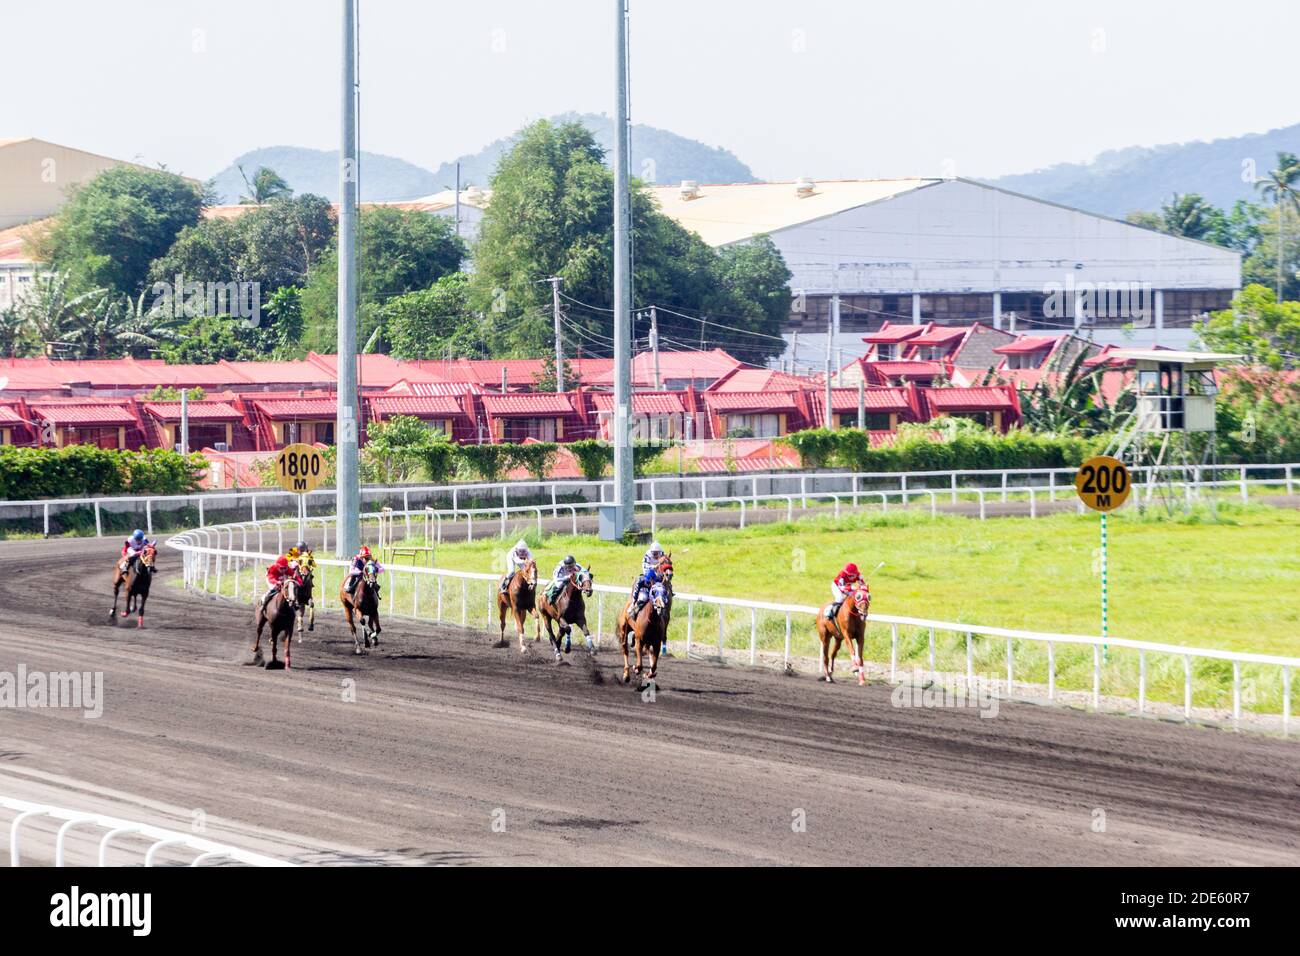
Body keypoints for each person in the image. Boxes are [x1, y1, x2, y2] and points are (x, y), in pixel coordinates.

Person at [628, 541, 667, 610]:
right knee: (640, 581)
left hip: (659, 576)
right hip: (649, 575)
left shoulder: (663, 555)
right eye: (654, 553)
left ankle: (669, 594)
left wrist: (662, 572)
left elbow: (665, 567)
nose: (655, 555)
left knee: (666, 581)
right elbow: (645, 567)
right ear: (651, 552)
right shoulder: (647, 555)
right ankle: (633, 602)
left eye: (657, 553)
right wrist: (653, 567)